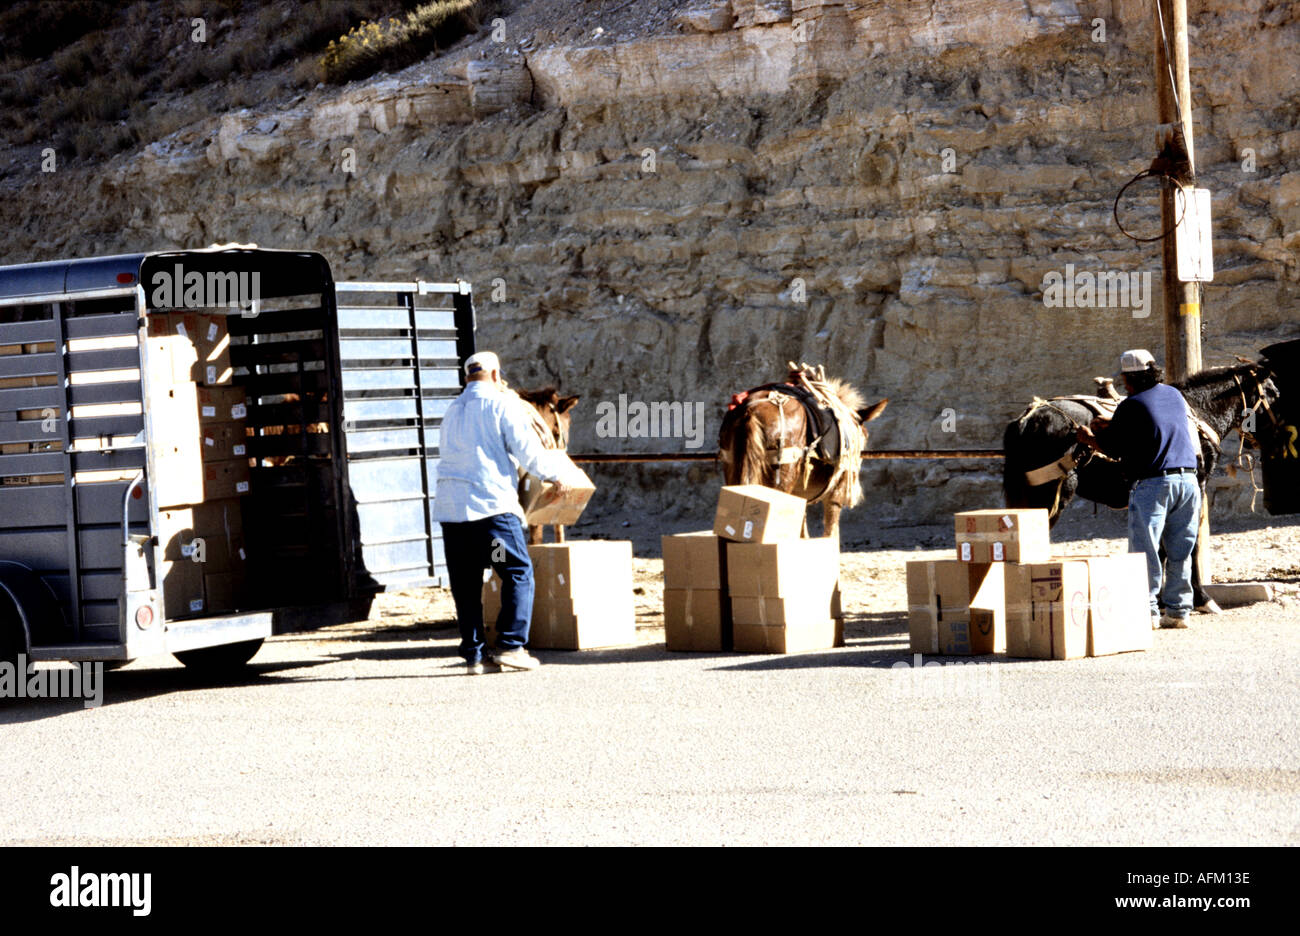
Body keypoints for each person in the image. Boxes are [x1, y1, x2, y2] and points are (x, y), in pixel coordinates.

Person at [432, 351, 569, 673]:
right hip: (491, 515)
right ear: (496, 375)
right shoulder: (501, 404)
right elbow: (528, 452)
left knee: (465, 585)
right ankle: (510, 645)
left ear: (467, 377)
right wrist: (557, 475)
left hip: (453, 516)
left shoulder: (451, 411)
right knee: (515, 571)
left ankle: (474, 656)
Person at [1076, 349, 1200, 629]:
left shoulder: (1131, 405)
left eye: (1124, 380)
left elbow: (1113, 448)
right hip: (1189, 482)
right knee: (1181, 550)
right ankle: (1179, 612)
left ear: (1130, 379)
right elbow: (1160, 426)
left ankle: (1148, 613)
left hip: (1154, 484)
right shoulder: (1174, 395)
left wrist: (1089, 438)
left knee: (1145, 550)